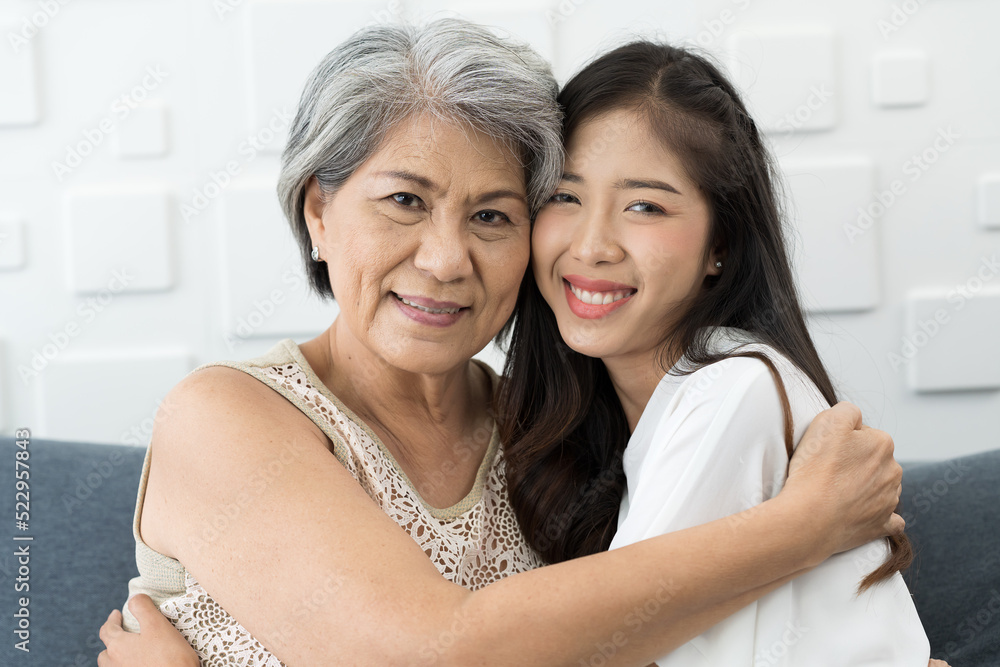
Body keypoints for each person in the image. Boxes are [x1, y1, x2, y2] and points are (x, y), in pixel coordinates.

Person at [97, 19, 907, 667]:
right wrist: (805, 526)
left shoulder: (548, 429)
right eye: (406, 200)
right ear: (317, 213)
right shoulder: (225, 416)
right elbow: (423, 652)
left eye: (492, 215)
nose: (447, 259)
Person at [500, 41, 931, 665]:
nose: (591, 246)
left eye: (644, 205)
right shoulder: (628, 413)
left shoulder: (732, 390)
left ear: (718, 245)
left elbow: (592, 645)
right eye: (566, 196)